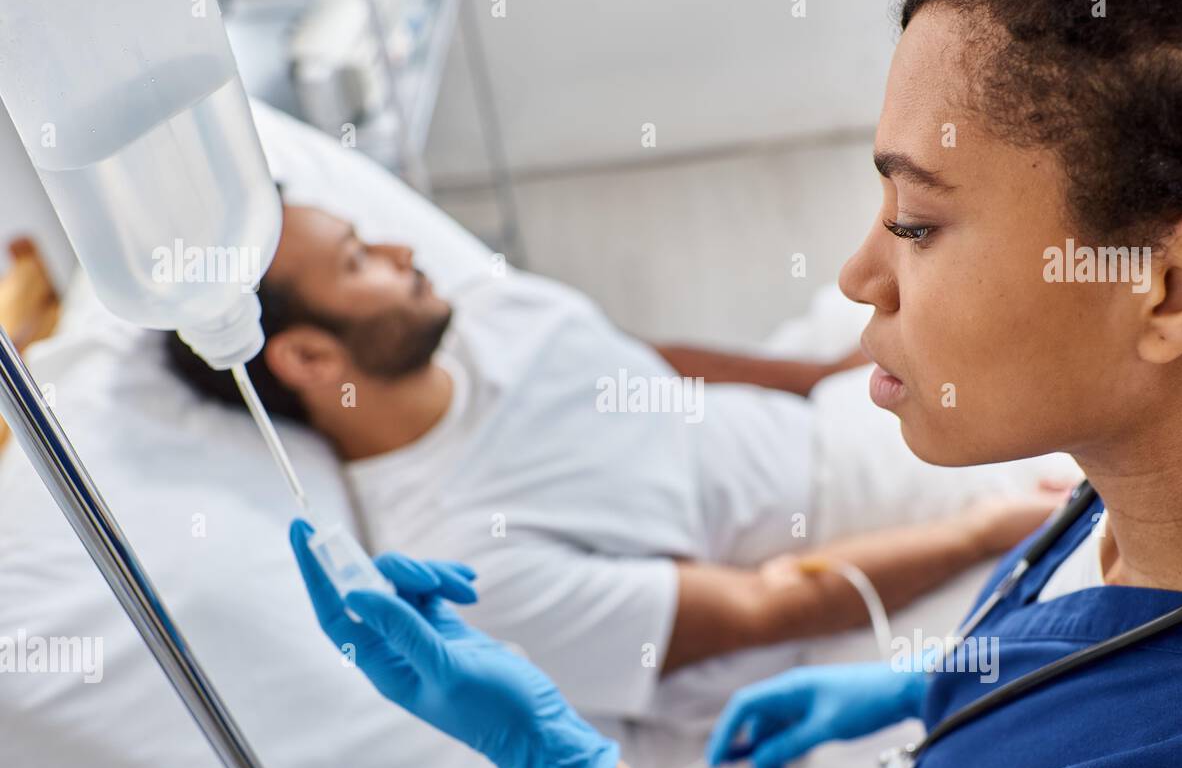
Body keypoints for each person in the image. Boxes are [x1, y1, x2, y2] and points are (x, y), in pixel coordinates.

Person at [292, 0, 1182, 768]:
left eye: (915, 222)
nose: (859, 274)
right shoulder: (1166, 468)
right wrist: (940, 685)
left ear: (1179, 285)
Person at [167, 204, 1064, 735]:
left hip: (822, 418)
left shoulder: (481, 317)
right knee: (1086, 430)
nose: (406, 255)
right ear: (312, 361)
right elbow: (766, 604)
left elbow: (651, 361)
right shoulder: (468, 558)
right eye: (361, 262)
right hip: (855, 509)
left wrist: (828, 370)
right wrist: (984, 530)